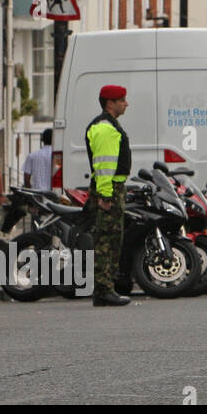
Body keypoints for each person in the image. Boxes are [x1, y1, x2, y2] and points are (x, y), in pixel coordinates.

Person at [86, 85, 133, 307]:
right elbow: (104, 165)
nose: (126, 103)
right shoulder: (105, 129)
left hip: (112, 188)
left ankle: (106, 288)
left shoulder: (109, 125)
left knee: (112, 238)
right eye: (122, 100)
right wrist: (105, 195)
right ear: (110, 103)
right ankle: (104, 290)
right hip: (109, 189)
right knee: (106, 240)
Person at [22, 128, 53, 192]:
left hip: (37, 194)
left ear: (42, 140)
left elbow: (26, 180)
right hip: (53, 193)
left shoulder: (31, 156)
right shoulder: (58, 157)